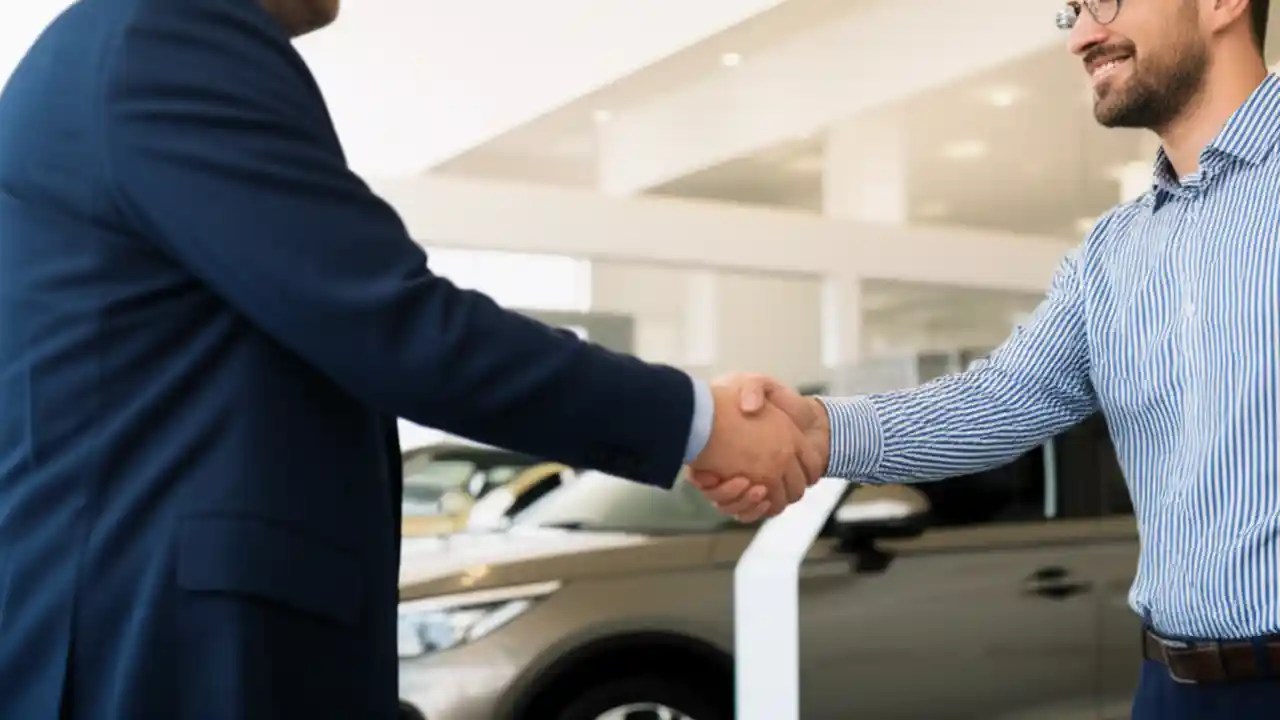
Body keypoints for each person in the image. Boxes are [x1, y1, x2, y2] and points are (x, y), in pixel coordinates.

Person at [0, 0, 822, 717]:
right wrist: (697, 422)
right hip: (166, 647)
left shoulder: (113, 45)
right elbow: (392, 324)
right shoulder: (166, 36)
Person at [699, 0, 1280, 717]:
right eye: (1072, 10)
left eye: (1106, 0)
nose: (1082, 36)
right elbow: (1000, 398)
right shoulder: (1112, 254)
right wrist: (815, 432)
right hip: (1172, 685)